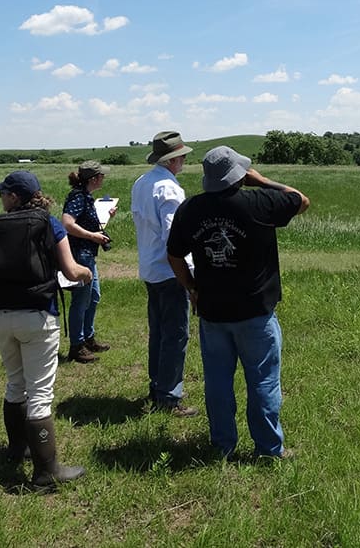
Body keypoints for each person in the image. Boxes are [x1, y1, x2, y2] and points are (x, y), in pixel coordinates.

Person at [167, 146, 309, 459]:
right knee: (263, 381)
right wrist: (261, 180)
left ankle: (222, 445)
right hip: (255, 311)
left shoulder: (191, 208)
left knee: (217, 381)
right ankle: (268, 449)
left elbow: (174, 255)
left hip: (213, 312)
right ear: (239, 176)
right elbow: (301, 200)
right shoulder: (259, 202)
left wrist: (191, 287)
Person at [0, 171, 92, 487]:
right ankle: (46, 472)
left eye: (3, 193)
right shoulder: (49, 223)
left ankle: (18, 448)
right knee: (40, 392)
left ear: (14, 197)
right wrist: (86, 273)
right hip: (37, 315)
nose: (1, 198)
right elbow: (70, 269)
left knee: (15, 383)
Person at [131, 131, 198, 416]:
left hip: (150, 266)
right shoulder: (169, 190)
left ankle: (158, 386)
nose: (183, 160)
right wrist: (191, 278)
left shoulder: (142, 182)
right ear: (172, 160)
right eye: (181, 156)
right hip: (170, 270)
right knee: (175, 334)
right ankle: (169, 396)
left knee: (159, 331)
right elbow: (175, 238)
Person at [61, 160, 116, 363]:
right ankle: (77, 346)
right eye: (102, 175)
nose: (104, 178)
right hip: (80, 255)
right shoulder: (78, 197)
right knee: (81, 300)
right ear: (93, 179)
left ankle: (87, 338)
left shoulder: (85, 196)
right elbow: (67, 223)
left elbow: (85, 223)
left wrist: (104, 219)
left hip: (87, 254)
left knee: (93, 297)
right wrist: (93, 236)